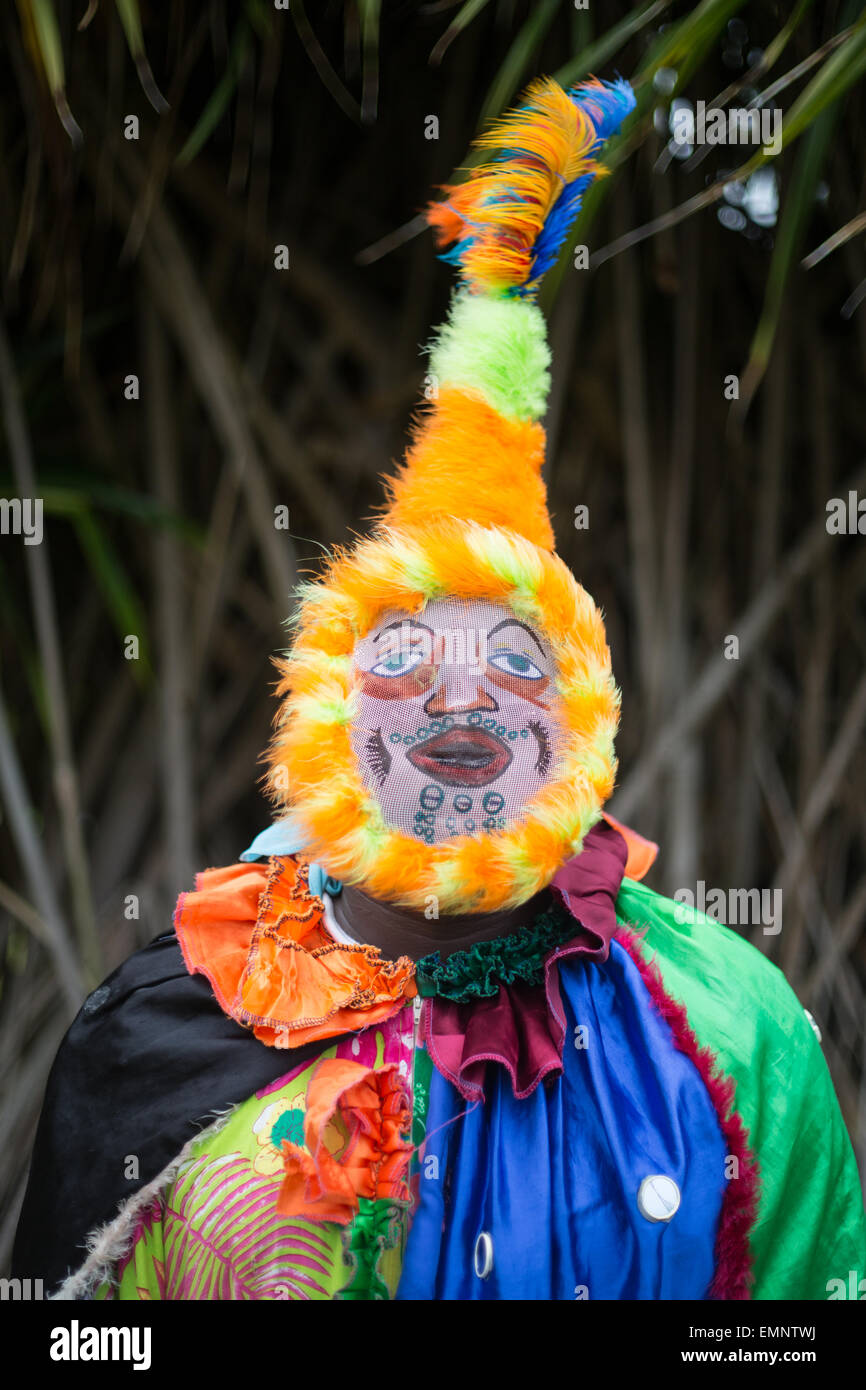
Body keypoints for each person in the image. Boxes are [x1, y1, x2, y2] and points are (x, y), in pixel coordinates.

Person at [14, 74, 865, 1302]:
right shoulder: (160, 1027)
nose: (461, 705)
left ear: (578, 715)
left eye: (514, 663)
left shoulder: (729, 1027)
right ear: (322, 709)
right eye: (404, 661)